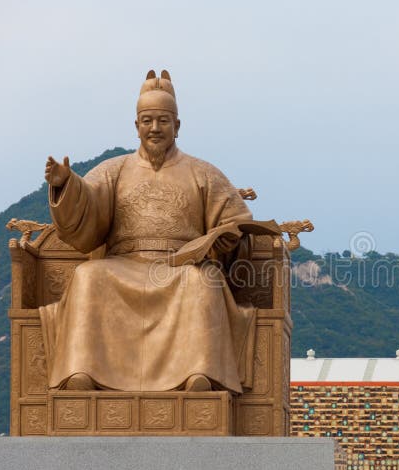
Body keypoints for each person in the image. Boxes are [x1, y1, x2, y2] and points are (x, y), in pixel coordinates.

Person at [39, 70, 257, 393]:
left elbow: (236, 219)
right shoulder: (114, 170)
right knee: (88, 276)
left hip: (181, 267)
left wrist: (225, 237)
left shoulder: (204, 174)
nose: (155, 128)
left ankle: (199, 374)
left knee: (202, 281)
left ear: (177, 126)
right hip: (123, 264)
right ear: (137, 125)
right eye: (147, 121)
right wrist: (66, 185)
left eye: (163, 121)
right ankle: (82, 372)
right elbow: (89, 205)